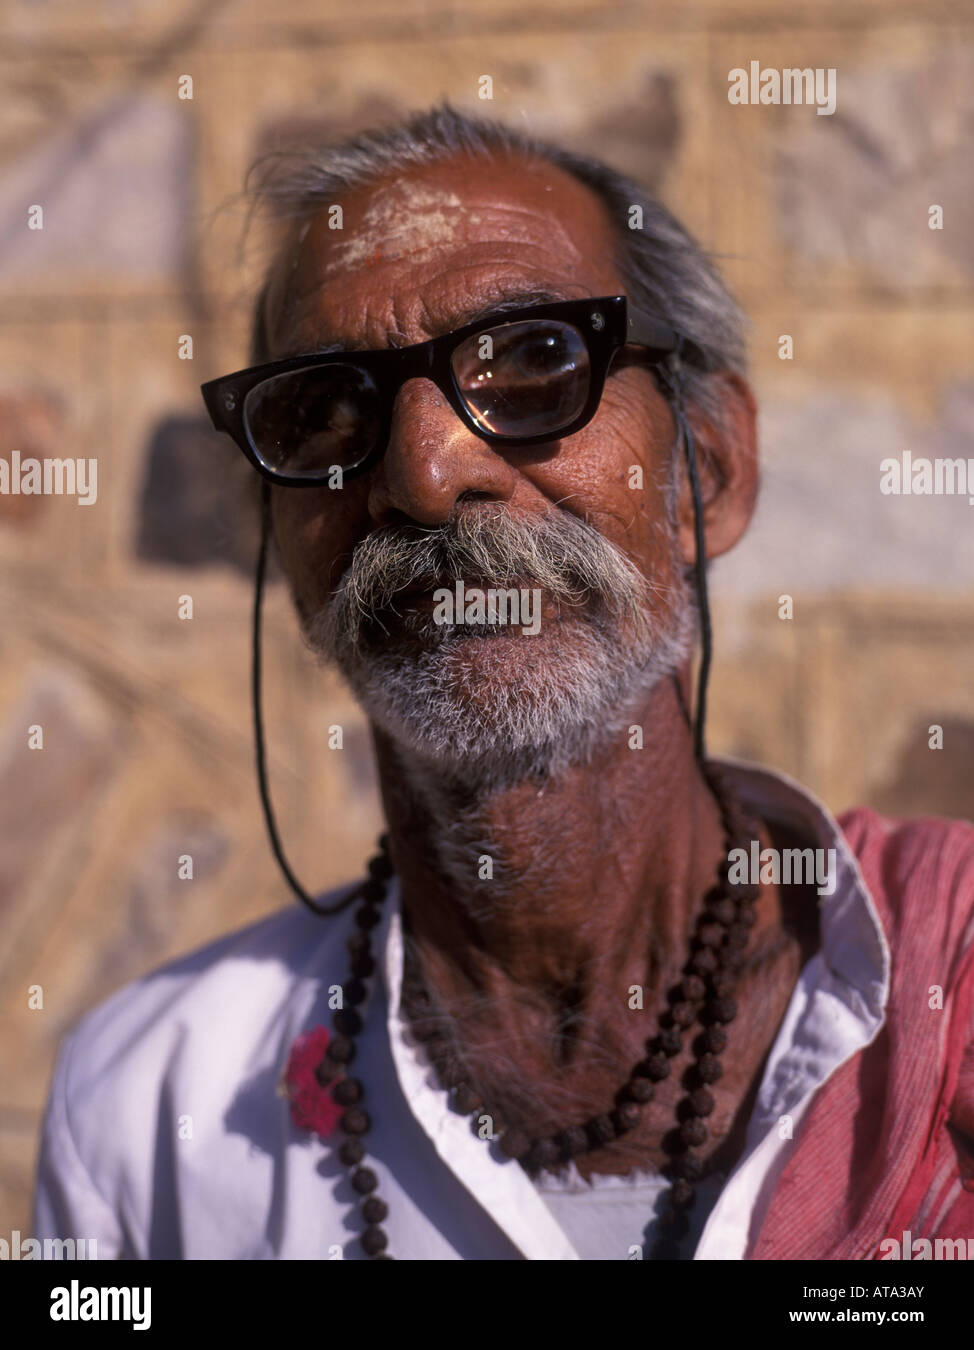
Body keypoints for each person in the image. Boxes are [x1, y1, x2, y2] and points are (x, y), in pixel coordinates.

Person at [33, 103, 974, 1261]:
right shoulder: (147, 1115)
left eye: (533, 360)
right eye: (327, 407)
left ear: (709, 468)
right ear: (282, 545)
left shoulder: (947, 978)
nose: (424, 473)